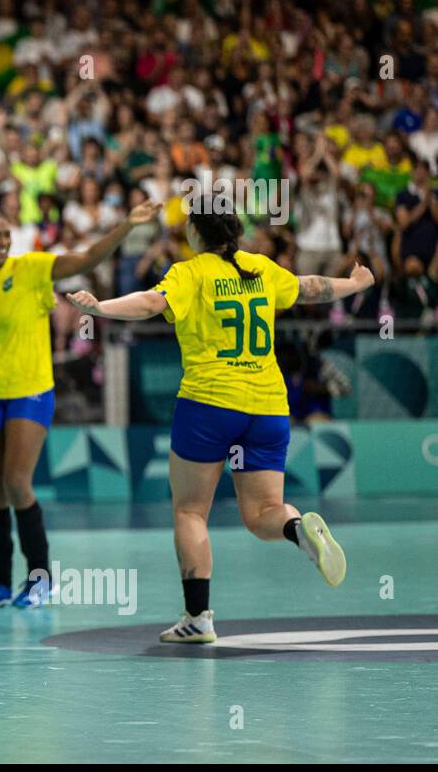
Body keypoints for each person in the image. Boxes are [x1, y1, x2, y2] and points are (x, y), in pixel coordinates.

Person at [65, 209, 374, 642]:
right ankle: (297, 527)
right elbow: (310, 288)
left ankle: (198, 618)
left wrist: (100, 307)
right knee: (264, 512)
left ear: (196, 233)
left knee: (190, 510)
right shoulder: (260, 268)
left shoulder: (190, 272)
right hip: (267, 406)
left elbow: (152, 303)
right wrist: (356, 284)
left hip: (209, 403)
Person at [0, 200, 163, 610]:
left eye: (7, 235)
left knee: (15, 480)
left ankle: (41, 578)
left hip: (30, 389)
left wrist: (126, 225)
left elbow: (87, 257)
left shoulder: (30, 269)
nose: (3, 243)